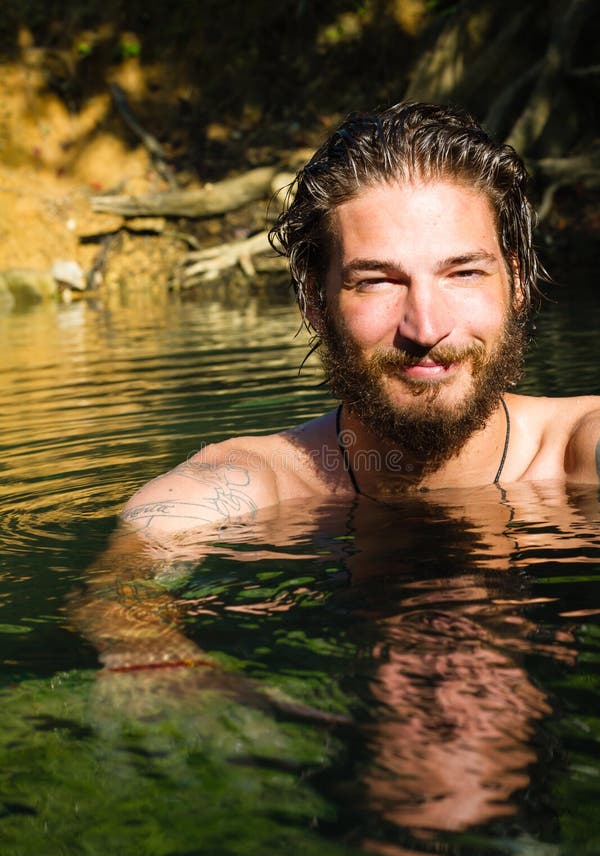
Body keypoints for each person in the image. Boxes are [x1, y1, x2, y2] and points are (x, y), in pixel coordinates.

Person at [122, 100, 600, 541]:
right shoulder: (244, 487)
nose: (426, 328)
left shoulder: (580, 451)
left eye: (464, 273)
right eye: (377, 281)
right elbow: (137, 577)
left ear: (517, 284)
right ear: (315, 303)